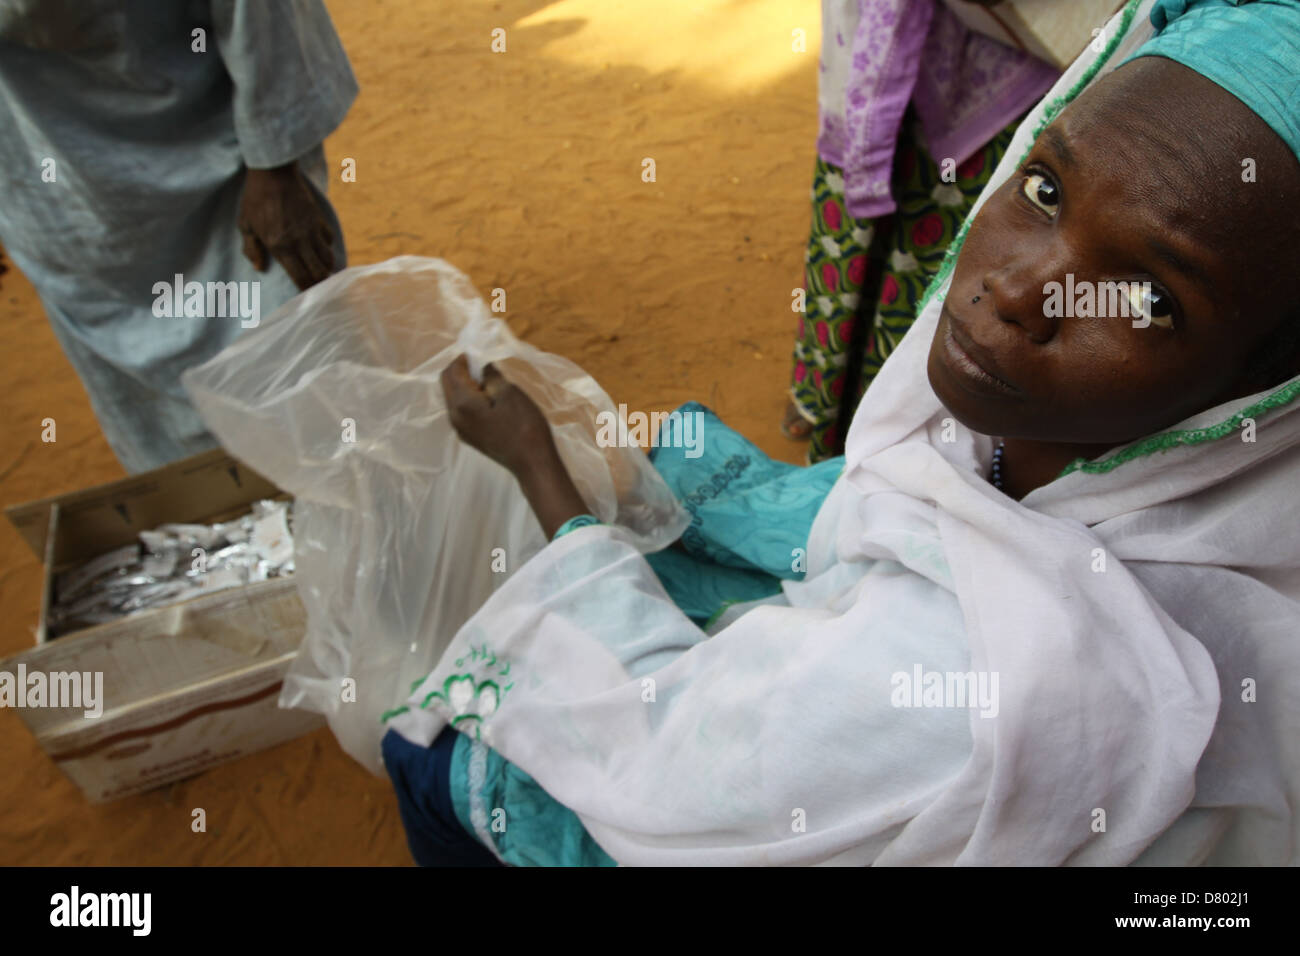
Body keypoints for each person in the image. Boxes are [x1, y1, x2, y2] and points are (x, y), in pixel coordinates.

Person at [382, 0, 1300, 866]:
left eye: (1148, 298)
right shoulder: (1214, 493)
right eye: (1047, 187)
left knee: (428, 756)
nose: (1023, 291)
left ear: (1266, 388)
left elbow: (664, 756)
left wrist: (542, 473)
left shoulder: (984, 671)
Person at [0, 0, 357, 473]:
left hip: (218, 149)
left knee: (291, 364)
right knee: (155, 427)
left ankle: (340, 494)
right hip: (51, 173)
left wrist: (275, 165)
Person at [784, 0, 1060, 462]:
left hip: (1011, 53)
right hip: (870, 42)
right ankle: (827, 395)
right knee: (857, 233)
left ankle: (905, 428)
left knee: (961, 245)